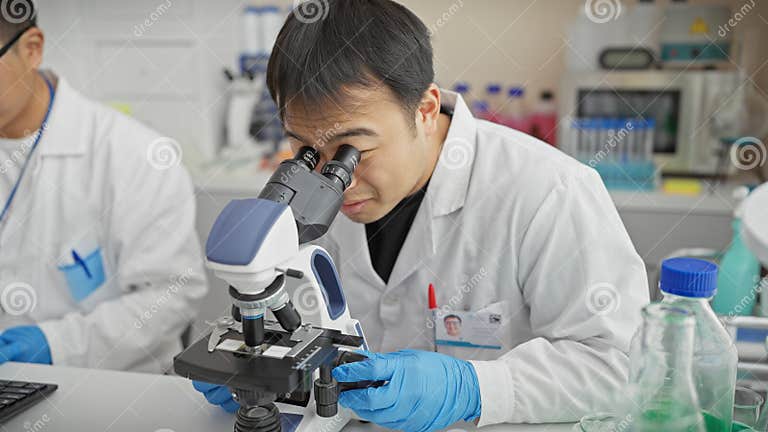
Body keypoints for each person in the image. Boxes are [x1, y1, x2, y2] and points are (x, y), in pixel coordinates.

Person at [195, 0, 649, 430]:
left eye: (354, 152)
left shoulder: (547, 191)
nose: (337, 183)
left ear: (426, 108)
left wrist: (474, 387)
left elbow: (619, 365)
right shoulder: (296, 199)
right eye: (304, 150)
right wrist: (248, 359)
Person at [0, 3, 207, 373]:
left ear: (31, 48)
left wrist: (56, 344)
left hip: (111, 387)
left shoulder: (134, 156)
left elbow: (172, 294)